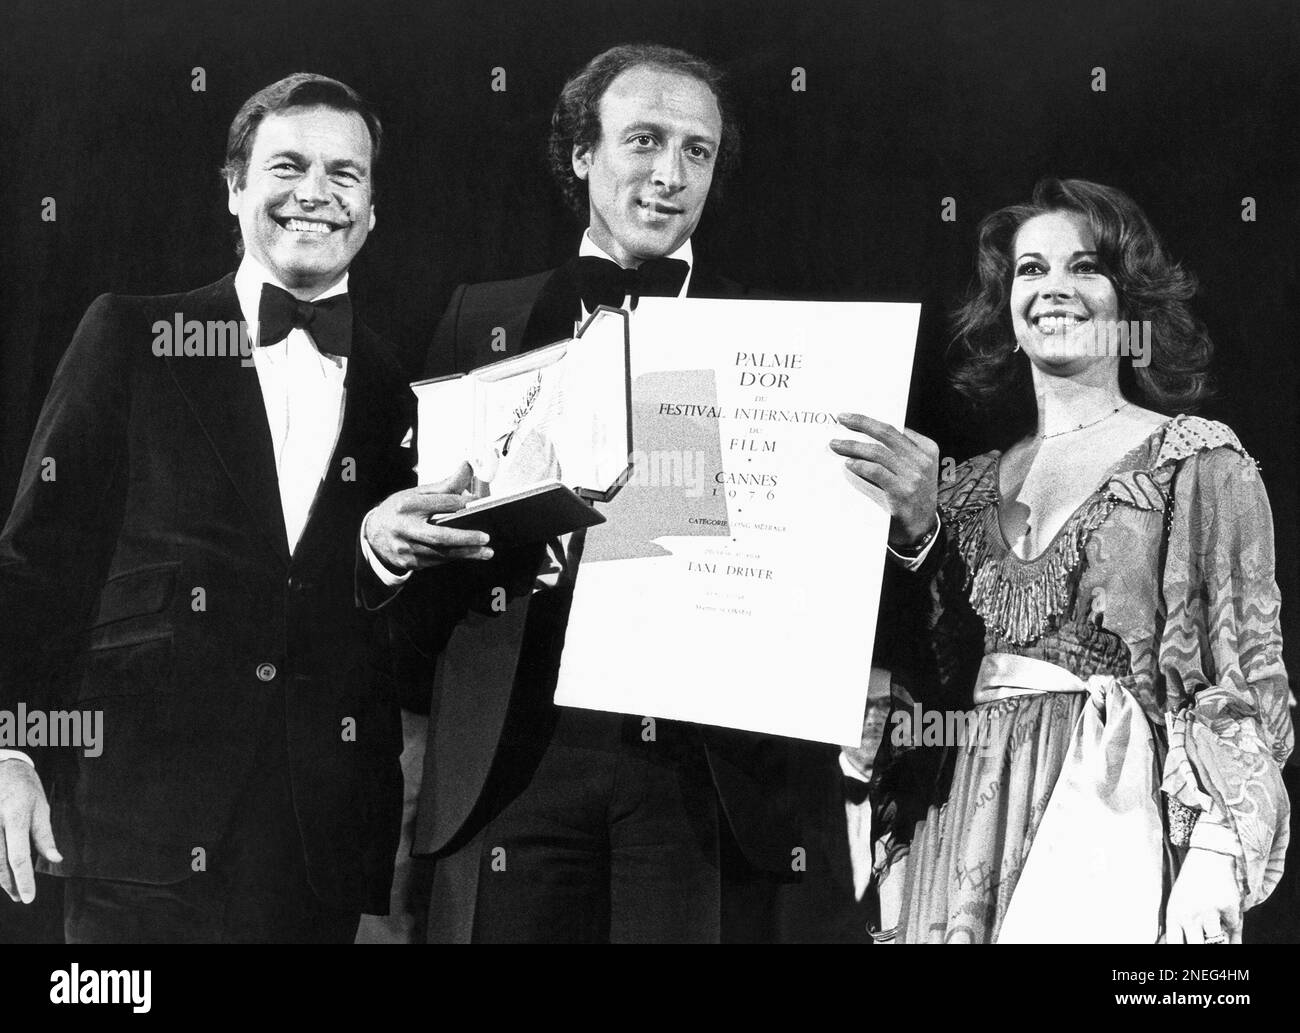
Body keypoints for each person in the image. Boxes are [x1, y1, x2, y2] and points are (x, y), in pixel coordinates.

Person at [0, 72, 489, 943]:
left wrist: (381, 559)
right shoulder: (129, 333)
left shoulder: (404, 396)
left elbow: (415, 638)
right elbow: (34, 562)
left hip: (316, 845)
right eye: (287, 166)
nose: (315, 193)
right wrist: (8, 745)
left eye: (346, 174)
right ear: (234, 190)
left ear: (372, 209)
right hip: (138, 823)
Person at [399, 43, 810, 944]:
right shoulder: (478, 315)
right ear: (583, 154)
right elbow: (415, 554)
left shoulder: (784, 340)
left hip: (701, 777)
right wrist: (392, 546)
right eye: (645, 141)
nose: (670, 175)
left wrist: (904, 530)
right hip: (510, 760)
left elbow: (810, 571)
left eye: (697, 152)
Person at [832, 177, 1292, 943]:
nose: (1055, 289)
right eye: (1031, 270)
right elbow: (927, 679)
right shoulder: (963, 486)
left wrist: (1215, 855)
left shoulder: (1198, 463)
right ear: (1007, 309)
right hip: (964, 818)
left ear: (1130, 299)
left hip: (1108, 811)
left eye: (1085, 267)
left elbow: (1239, 679)